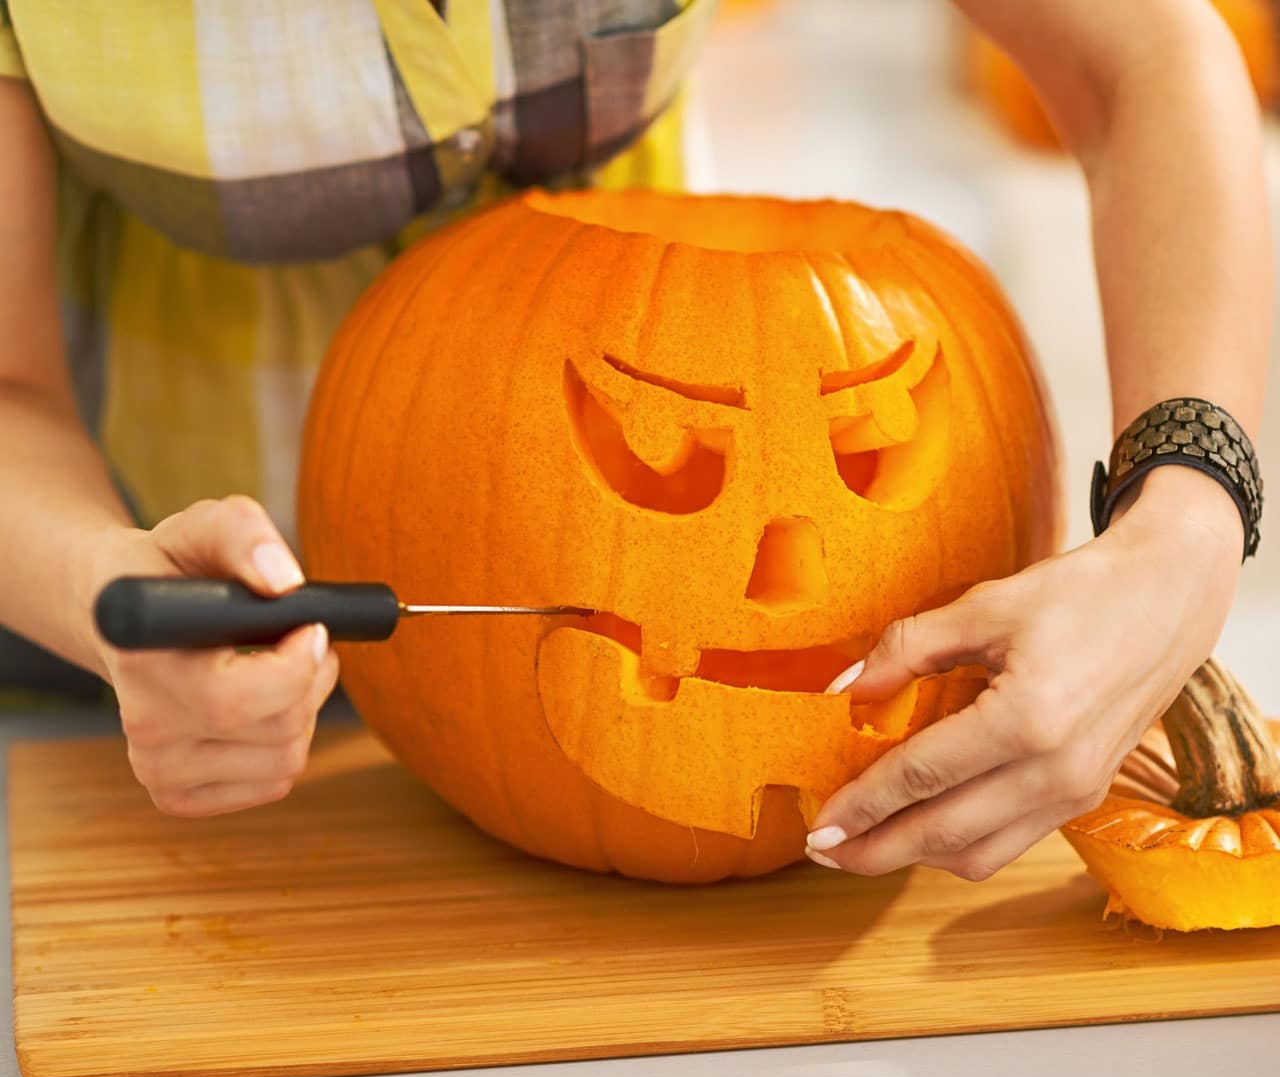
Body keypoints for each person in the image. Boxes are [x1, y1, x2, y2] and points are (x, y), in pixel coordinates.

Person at [0, 1, 1268, 881]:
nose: (783, 578)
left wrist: (1184, 525)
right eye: (667, 450)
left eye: (866, 440)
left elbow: (1138, 56)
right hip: (113, 695)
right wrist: (103, 590)